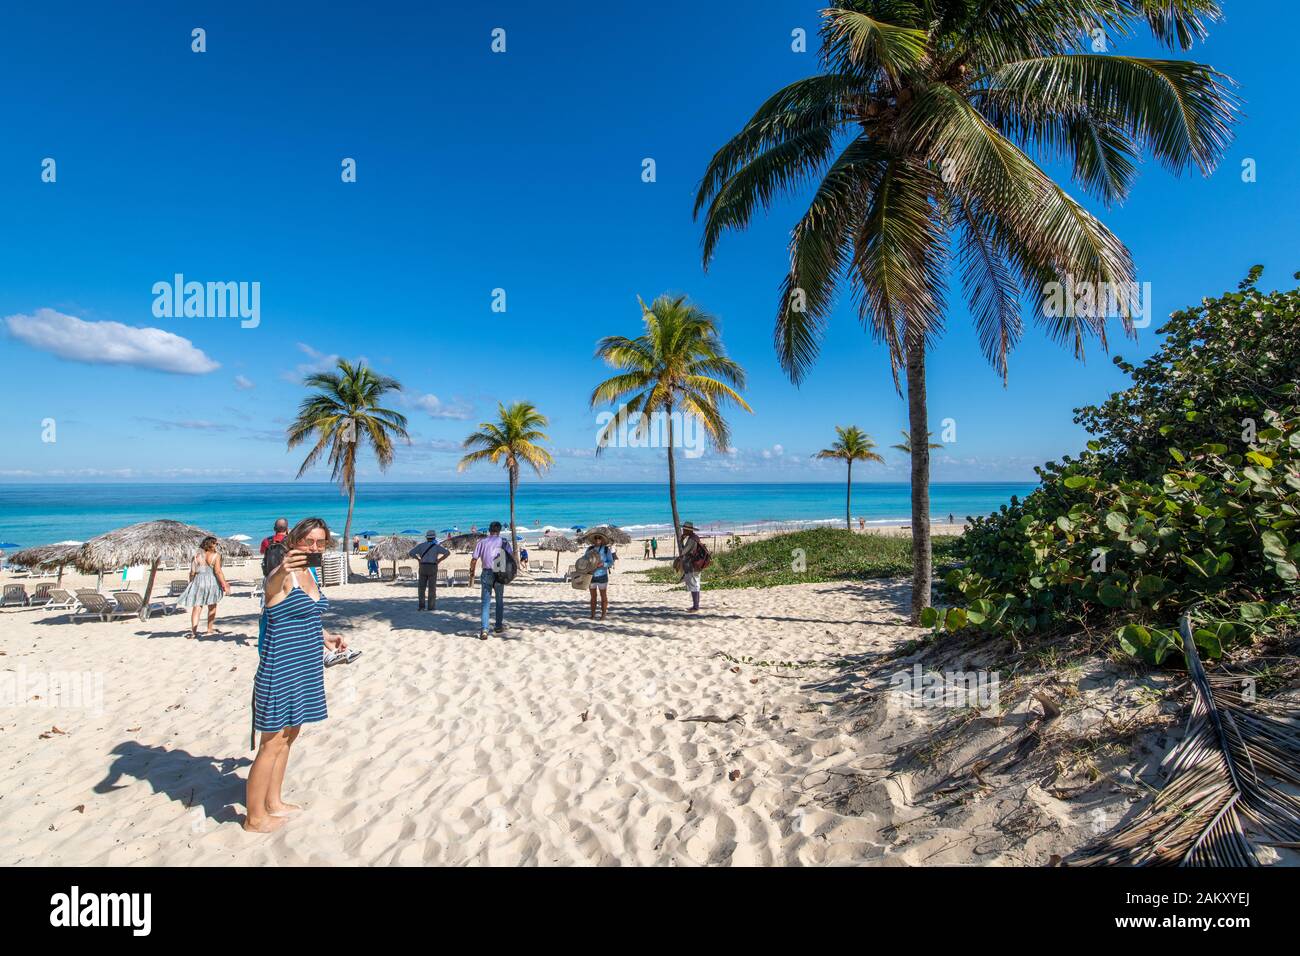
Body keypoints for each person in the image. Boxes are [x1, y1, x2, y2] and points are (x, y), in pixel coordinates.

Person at [246, 517, 349, 833]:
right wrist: (283, 567)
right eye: (309, 542)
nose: (315, 547)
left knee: (290, 736)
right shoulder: (284, 574)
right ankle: (254, 818)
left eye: (321, 542)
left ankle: (273, 802)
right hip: (281, 669)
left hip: (306, 667)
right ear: (293, 540)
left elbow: (306, 616)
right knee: (272, 743)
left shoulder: (310, 573)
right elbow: (270, 588)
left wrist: (326, 636)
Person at [468, 521, 512, 640]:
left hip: (486, 572)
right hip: (499, 572)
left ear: (489, 530)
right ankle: (498, 626)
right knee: (499, 601)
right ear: (499, 531)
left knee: (485, 603)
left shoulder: (482, 542)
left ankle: (484, 630)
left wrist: (471, 572)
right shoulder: (503, 542)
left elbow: (474, 559)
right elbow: (510, 557)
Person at [179, 536, 229, 638]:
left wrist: (191, 582)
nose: (216, 545)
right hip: (212, 582)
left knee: (197, 608)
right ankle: (209, 629)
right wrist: (225, 584)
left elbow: (192, 572)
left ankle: (194, 632)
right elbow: (218, 572)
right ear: (211, 544)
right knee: (212, 607)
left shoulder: (197, 556)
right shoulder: (216, 556)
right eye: (215, 544)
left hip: (198, 582)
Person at [409, 530, 450, 611]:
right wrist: (439, 560)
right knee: (432, 588)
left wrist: (418, 559)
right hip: (432, 566)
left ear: (426, 538)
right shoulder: (436, 546)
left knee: (421, 588)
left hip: (423, 566)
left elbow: (411, 553)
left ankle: (421, 606)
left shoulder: (421, 545)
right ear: (434, 537)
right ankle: (431, 607)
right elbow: (447, 553)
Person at [584, 532, 616, 620]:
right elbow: (584, 560)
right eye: (596, 538)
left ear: (602, 540)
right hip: (591, 575)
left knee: (603, 596)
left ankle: (603, 614)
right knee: (593, 597)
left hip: (602, 575)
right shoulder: (589, 549)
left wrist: (603, 564)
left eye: (599, 538)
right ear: (594, 539)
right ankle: (593, 614)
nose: (598, 539)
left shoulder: (606, 549)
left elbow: (611, 562)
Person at [678, 522, 704, 612]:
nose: (683, 530)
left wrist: (681, 542)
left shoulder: (691, 540)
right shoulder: (695, 538)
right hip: (696, 564)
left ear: (688, 530)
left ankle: (695, 607)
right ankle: (695, 605)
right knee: (696, 585)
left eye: (684, 529)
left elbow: (683, 552)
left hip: (692, 565)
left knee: (694, 585)